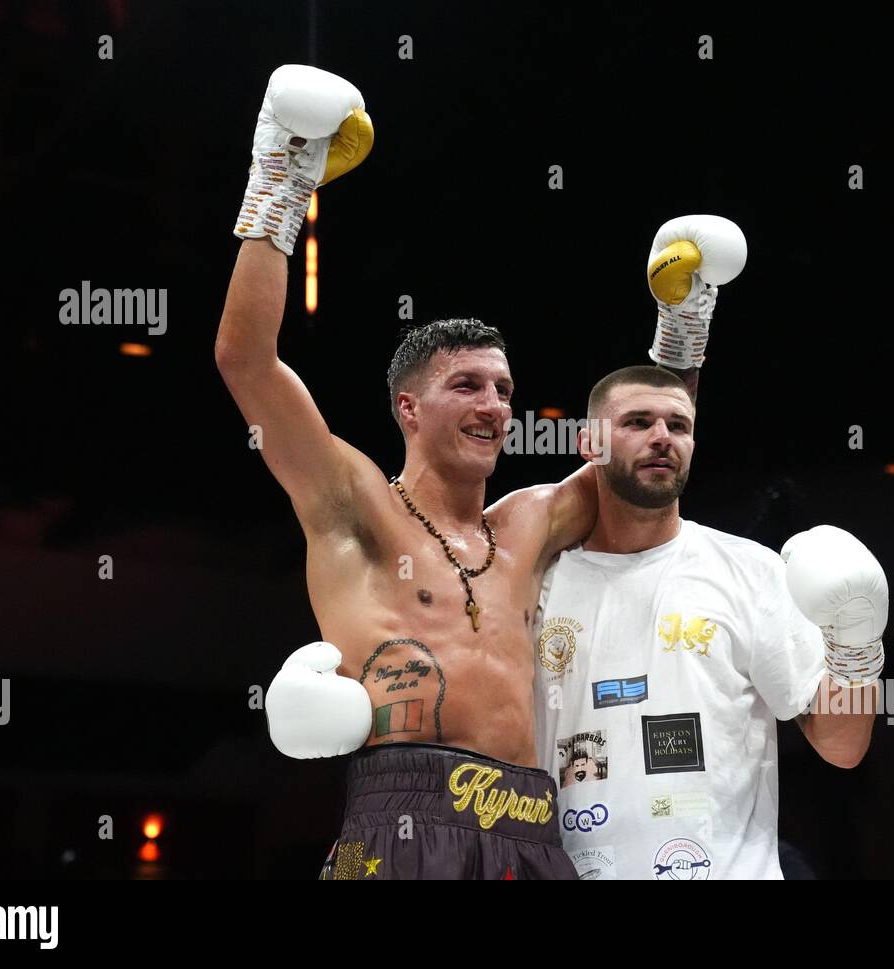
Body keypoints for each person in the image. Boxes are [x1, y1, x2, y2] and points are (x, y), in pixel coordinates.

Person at [217, 64, 604, 879]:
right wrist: (281, 183)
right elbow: (245, 360)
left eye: (504, 390)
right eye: (466, 384)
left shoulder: (530, 523)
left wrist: (684, 324)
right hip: (407, 815)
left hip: (535, 830)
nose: (494, 405)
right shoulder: (355, 503)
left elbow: (651, 455)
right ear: (408, 408)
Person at [531, 231, 888, 880]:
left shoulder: (751, 570)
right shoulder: (539, 584)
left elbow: (842, 746)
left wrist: (856, 645)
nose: (663, 437)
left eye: (680, 426)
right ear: (589, 442)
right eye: (638, 422)